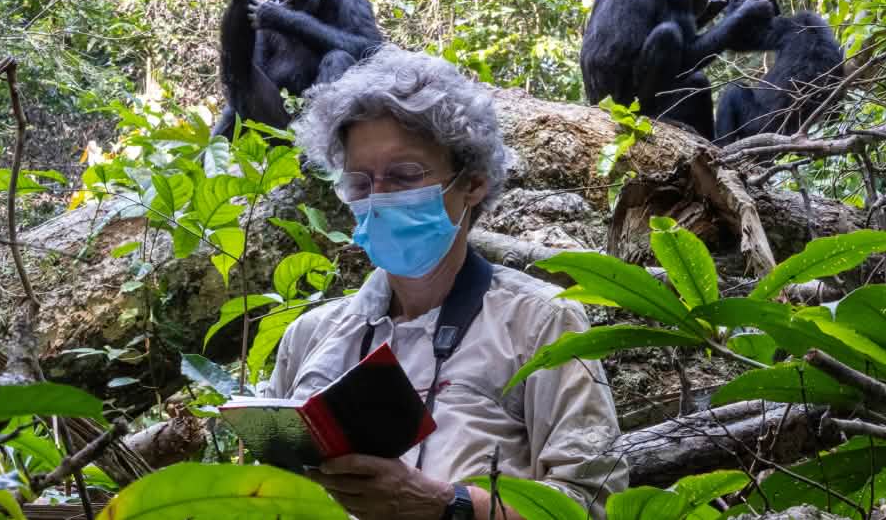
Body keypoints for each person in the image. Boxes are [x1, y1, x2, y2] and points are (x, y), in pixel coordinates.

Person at [263, 44, 628, 520]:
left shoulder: (541, 324)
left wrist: (443, 504)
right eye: (360, 183)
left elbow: (592, 505)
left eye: (404, 176)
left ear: (472, 183)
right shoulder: (310, 337)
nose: (379, 198)